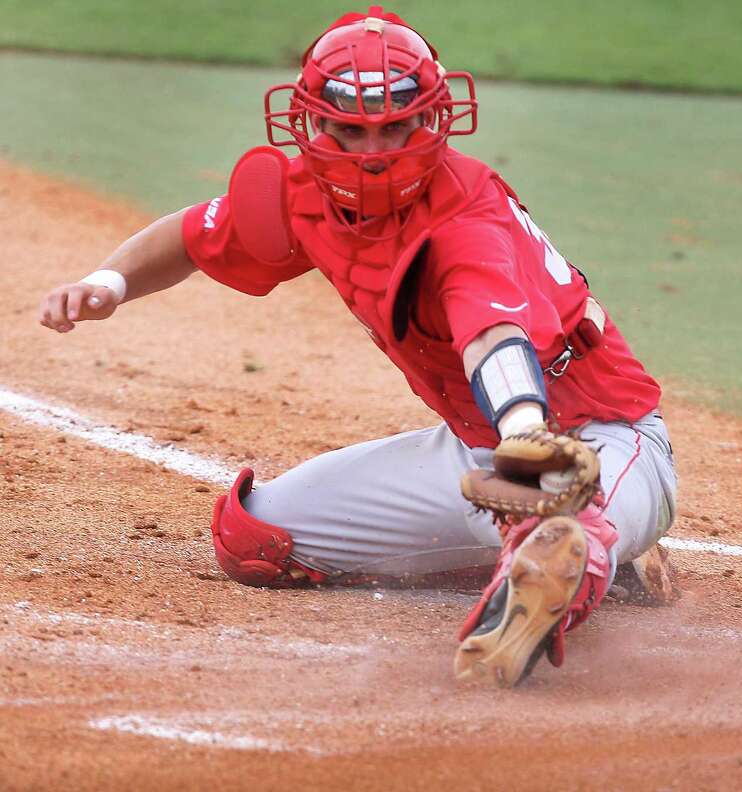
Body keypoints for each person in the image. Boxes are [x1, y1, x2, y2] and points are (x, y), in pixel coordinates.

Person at [36, 6, 676, 688]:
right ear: (316, 124)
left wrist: (523, 436)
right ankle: (532, 558)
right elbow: (191, 235)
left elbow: (493, 336)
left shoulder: (465, 214)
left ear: (431, 121)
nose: (375, 151)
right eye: (351, 128)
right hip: (475, 453)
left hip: (596, 439)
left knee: (576, 528)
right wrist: (107, 283)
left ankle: (589, 557)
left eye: (395, 126)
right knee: (255, 539)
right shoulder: (306, 197)